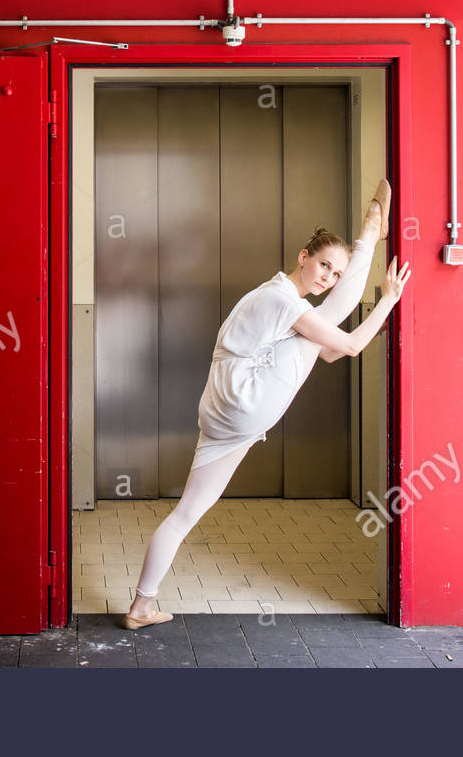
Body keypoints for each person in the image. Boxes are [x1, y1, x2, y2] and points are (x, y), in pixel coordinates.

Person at [120, 179, 409, 629]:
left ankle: (141, 605)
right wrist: (387, 300)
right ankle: (371, 230)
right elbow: (348, 346)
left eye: (336, 274)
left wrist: (354, 328)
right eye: (324, 266)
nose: (327, 278)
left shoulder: (278, 302)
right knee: (328, 327)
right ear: (303, 256)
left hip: (221, 410)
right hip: (244, 398)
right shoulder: (281, 299)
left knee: (184, 516)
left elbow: (329, 350)